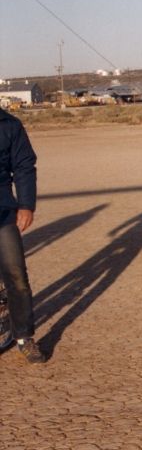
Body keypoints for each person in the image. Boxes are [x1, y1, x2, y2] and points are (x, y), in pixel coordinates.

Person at [0, 107, 45, 362]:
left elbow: (24, 165)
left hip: (3, 210)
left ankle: (24, 337)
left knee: (16, 273)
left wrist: (26, 205)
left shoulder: (9, 124)